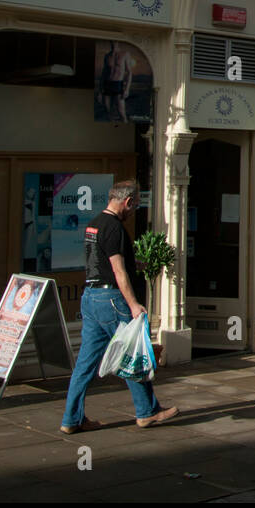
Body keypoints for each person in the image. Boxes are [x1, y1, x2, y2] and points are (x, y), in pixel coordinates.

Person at [60, 180, 177, 433]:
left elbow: (102, 260)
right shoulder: (114, 228)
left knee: (85, 363)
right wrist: (134, 304)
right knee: (133, 354)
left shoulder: (93, 224)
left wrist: (138, 264)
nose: (132, 211)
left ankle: (71, 419)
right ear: (127, 201)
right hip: (111, 298)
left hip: (90, 297)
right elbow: (117, 270)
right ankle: (147, 412)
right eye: (134, 206)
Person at [97, 41, 133, 122]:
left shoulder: (125, 54)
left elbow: (129, 72)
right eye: (112, 41)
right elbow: (104, 74)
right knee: (108, 111)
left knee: (121, 113)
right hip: (107, 84)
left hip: (118, 84)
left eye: (115, 41)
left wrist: (127, 89)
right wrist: (100, 92)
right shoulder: (107, 56)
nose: (114, 42)